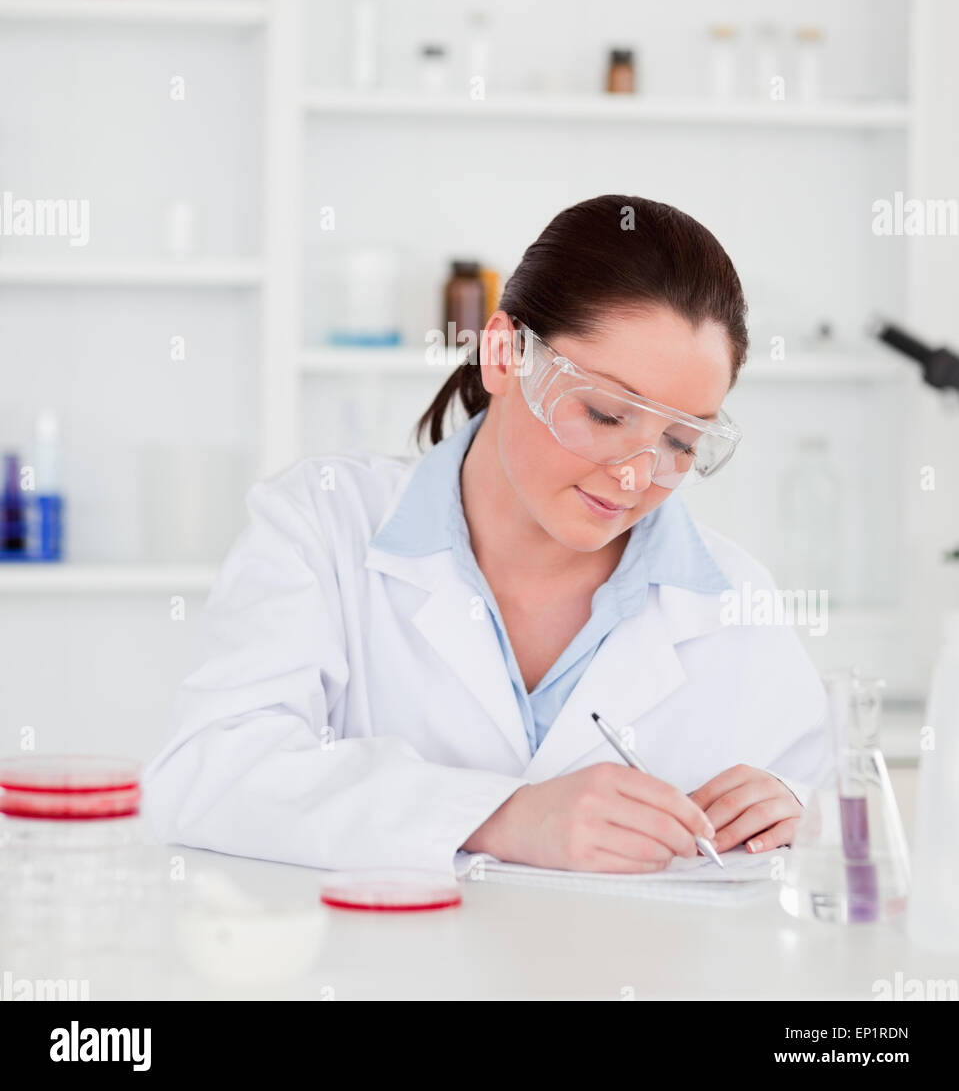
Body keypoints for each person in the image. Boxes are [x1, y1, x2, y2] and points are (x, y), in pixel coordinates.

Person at [142, 194, 826, 876]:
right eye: (605, 413)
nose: (631, 478)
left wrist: (802, 812)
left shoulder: (733, 597)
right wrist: (502, 815)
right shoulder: (324, 522)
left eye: (679, 440)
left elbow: (840, 811)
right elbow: (210, 773)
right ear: (502, 353)